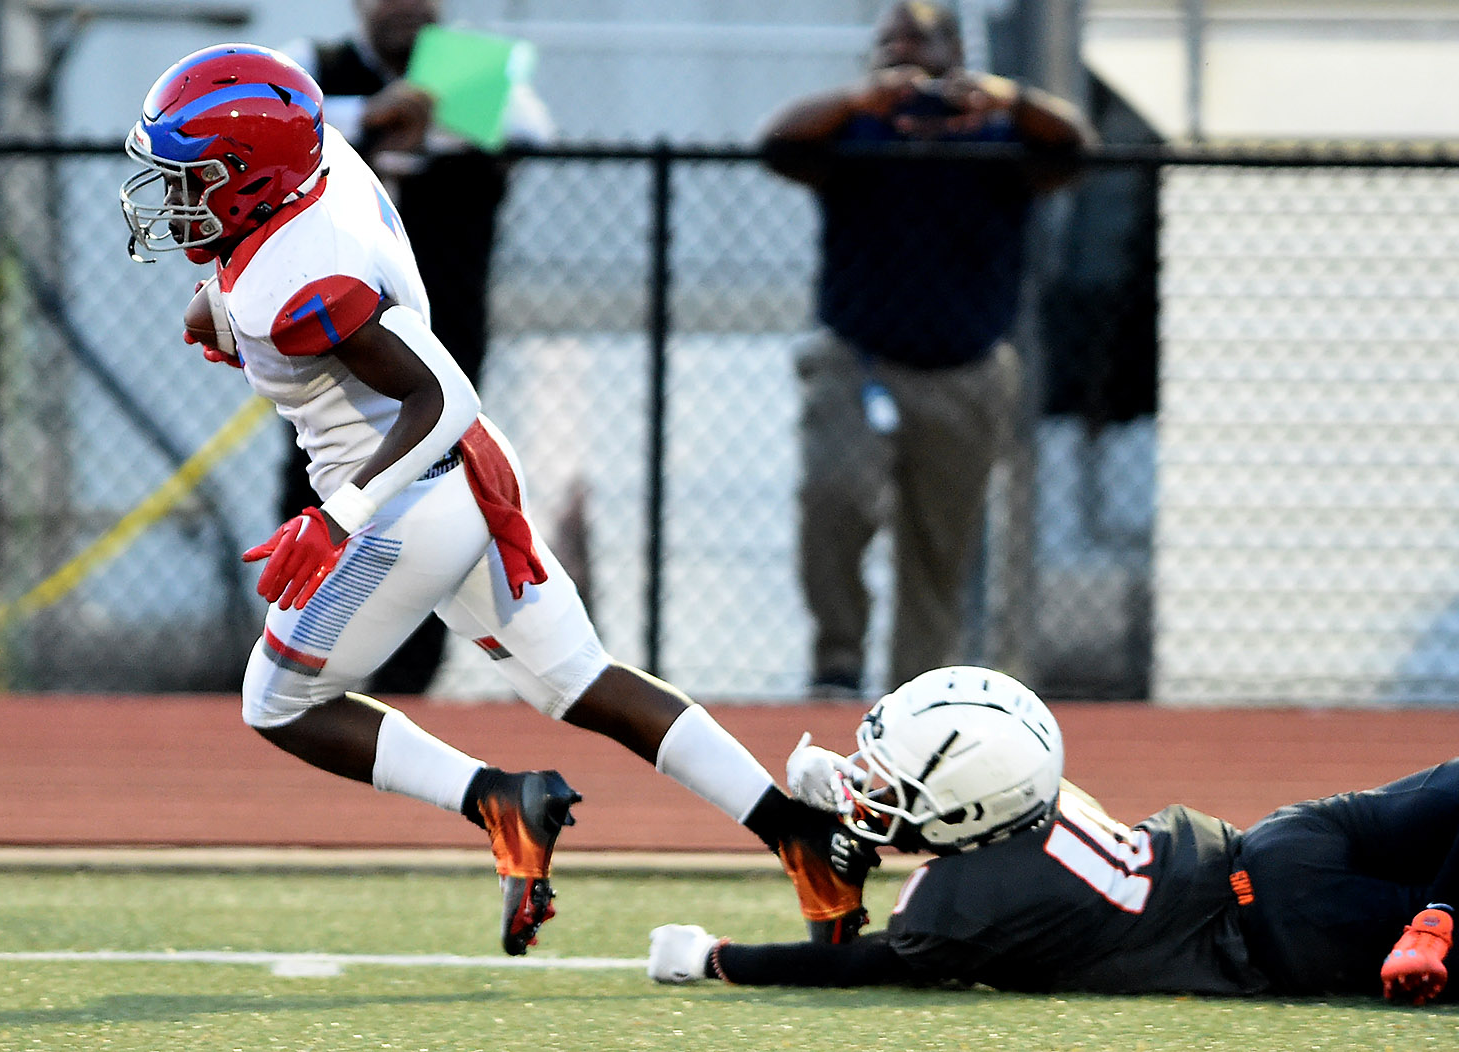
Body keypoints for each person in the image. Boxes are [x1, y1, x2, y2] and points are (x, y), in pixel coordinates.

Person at [120, 43, 868, 956]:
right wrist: (230, 312)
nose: (175, 198)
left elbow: (441, 398)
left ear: (249, 179)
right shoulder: (317, 177)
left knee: (279, 702)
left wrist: (337, 518)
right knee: (582, 682)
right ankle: (800, 840)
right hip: (462, 476)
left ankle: (500, 802)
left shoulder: (298, 282)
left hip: (408, 498)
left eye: (191, 177)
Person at [647, 665, 1459, 1005]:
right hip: (1285, 840)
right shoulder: (1041, 800)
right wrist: (855, 830)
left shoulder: (966, 898)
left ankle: (1439, 914)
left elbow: (866, 963)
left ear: (969, 799)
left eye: (890, 777)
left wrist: (720, 959)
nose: (871, 787)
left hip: (1286, 935)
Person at [757, 1, 1095, 697]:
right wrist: (861, 100)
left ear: (957, 55)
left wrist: (1007, 98)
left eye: (919, 42)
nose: (903, 55)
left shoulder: (1000, 135)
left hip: (966, 368)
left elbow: (1075, 149)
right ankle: (837, 663)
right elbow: (777, 146)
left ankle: (918, 692)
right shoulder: (856, 128)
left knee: (939, 545)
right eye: (889, 44)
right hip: (860, 360)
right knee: (834, 495)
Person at [275, 0, 554, 696]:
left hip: (442, 337)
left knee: (439, 491)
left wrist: (438, 114)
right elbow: (276, 127)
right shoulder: (312, 66)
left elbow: (531, 127)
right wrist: (372, 117)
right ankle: (306, 653)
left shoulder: (472, 70)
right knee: (319, 478)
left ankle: (407, 678)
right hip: (330, 340)